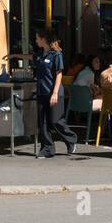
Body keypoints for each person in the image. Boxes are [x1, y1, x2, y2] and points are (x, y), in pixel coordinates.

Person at [34, 28, 77, 158]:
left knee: (55, 120)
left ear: (43, 39)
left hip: (54, 92)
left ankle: (71, 139)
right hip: (42, 92)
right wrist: (14, 56)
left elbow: (59, 74)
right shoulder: (40, 54)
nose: (36, 40)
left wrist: (55, 93)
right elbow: (30, 57)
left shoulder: (56, 54)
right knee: (43, 122)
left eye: (37, 38)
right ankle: (47, 149)